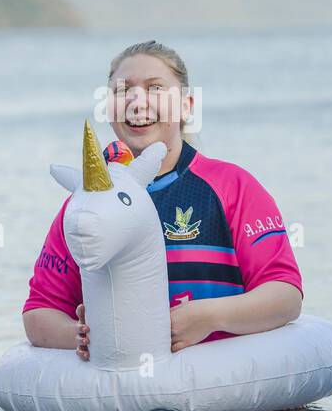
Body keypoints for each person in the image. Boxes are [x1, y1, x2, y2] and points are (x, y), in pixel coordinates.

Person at [23, 40, 302, 358]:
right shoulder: (86, 204)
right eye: (122, 91)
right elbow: (40, 311)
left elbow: (285, 295)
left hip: (220, 388)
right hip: (128, 393)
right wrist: (80, 335)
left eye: (155, 88)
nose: (136, 102)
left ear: (186, 106)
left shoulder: (232, 187)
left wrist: (208, 317)